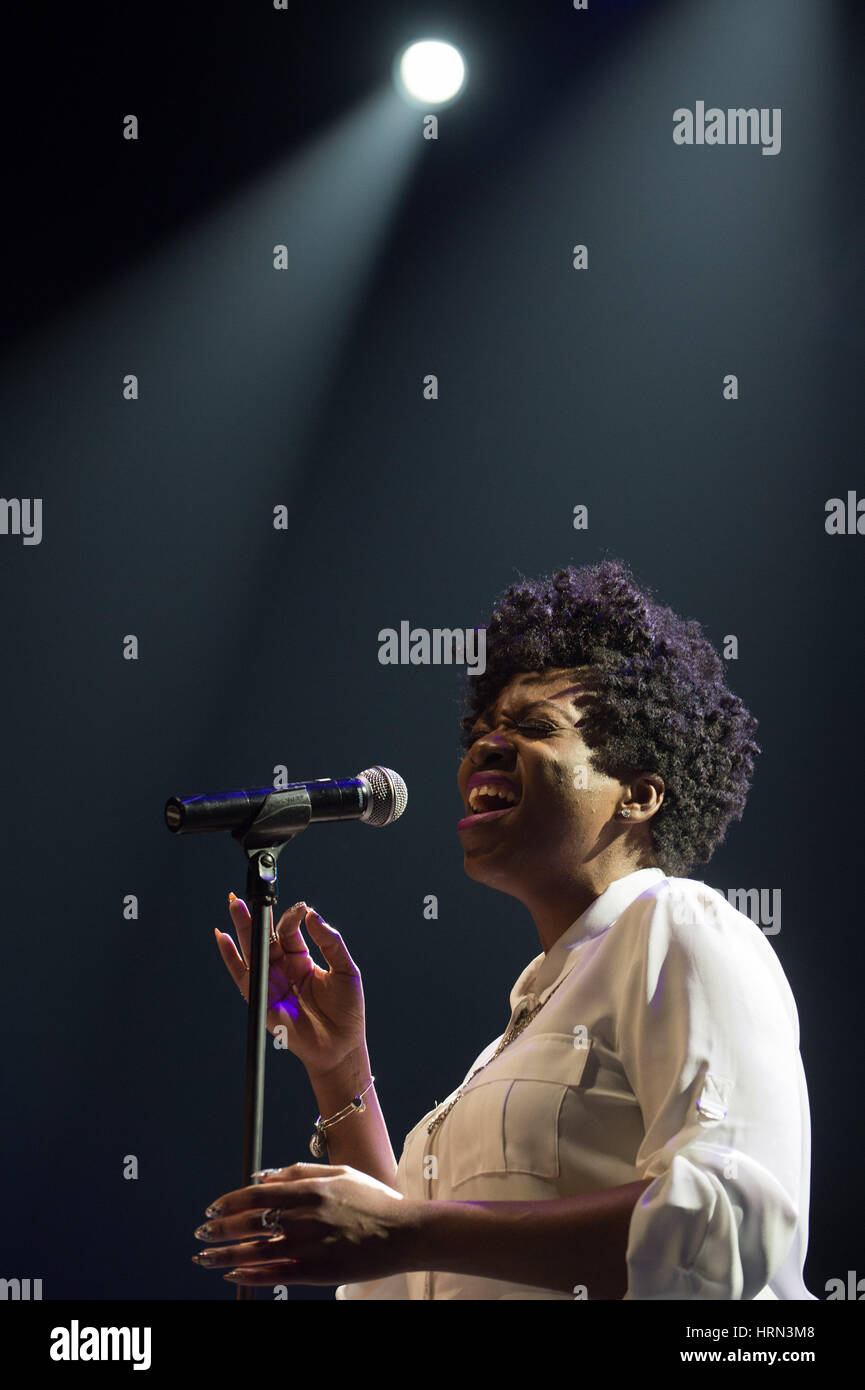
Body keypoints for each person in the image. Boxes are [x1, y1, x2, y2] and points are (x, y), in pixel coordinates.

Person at [192, 558, 816, 1300]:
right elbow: (401, 1274)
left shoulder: (680, 926)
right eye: (484, 727)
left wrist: (408, 1231)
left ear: (639, 795)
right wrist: (338, 1068)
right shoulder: (511, 1040)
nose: (483, 747)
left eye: (535, 727)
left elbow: (732, 1234)